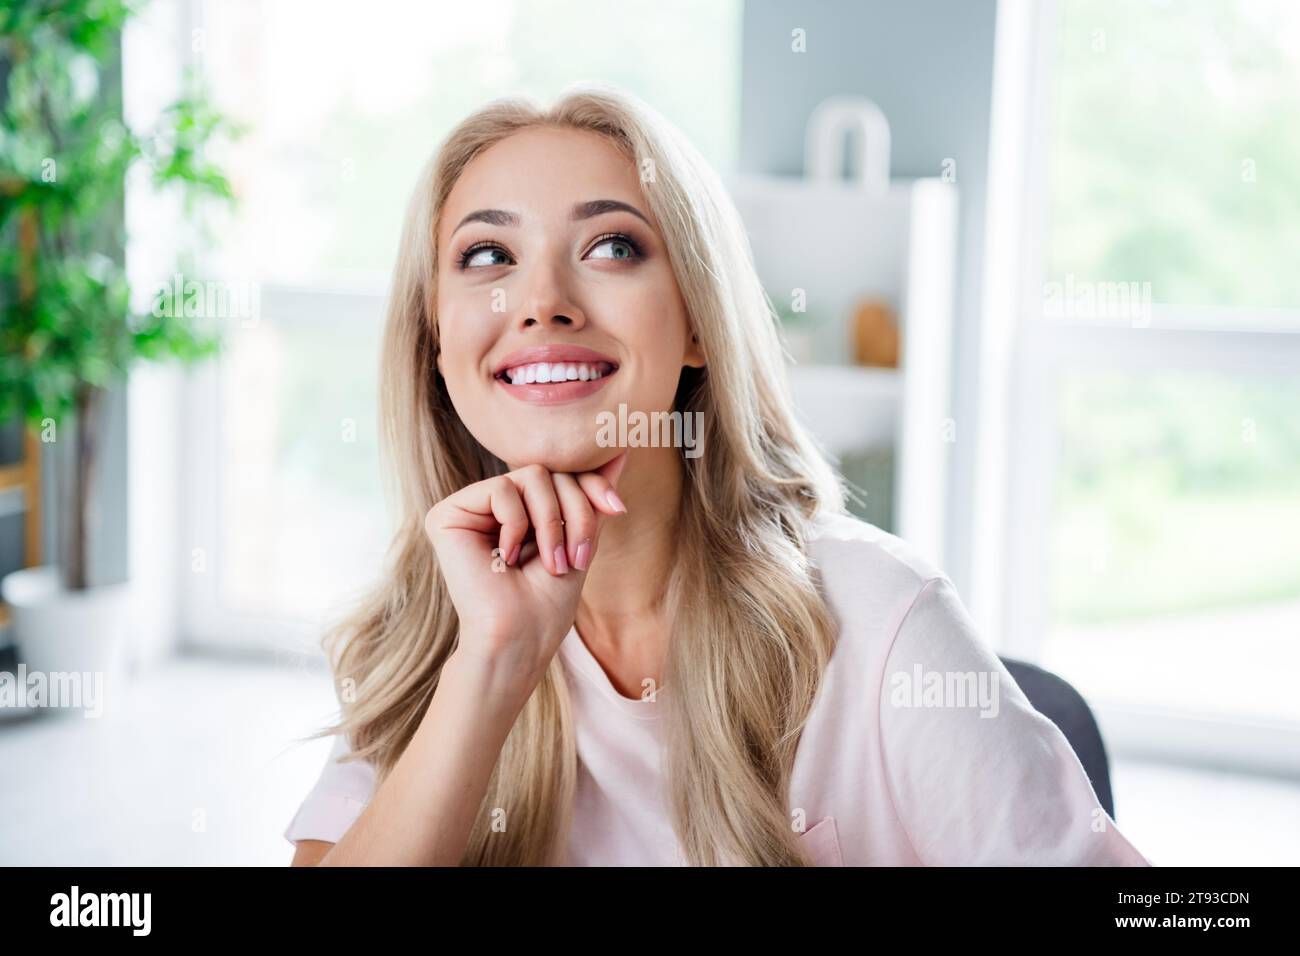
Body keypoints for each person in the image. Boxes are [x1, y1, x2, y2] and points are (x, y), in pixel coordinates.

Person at [283, 84, 1151, 867]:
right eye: (486, 258)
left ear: (699, 322)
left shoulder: (880, 615)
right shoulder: (434, 627)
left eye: (612, 246)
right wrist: (494, 665)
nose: (541, 300)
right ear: (436, 344)